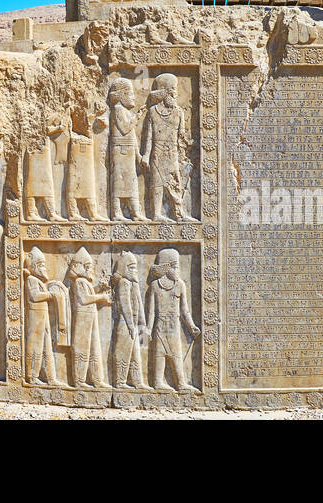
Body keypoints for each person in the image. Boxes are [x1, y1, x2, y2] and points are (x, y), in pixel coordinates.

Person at [142, 73, 195, 222]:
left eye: (176, 90)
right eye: (172, 90)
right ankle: (156, 214)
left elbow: (181, 136)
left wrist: (190, 146)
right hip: (157, 153)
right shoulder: (152, 112)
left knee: (175, 181)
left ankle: (178, 213)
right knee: (156, 183)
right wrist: (146, 155)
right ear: (164, 92)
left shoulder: (179, 112)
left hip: (172, 152)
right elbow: (149, 137)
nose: (175, 94)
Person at [145, 248, 200, 391]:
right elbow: (151, 312)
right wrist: (148, 329)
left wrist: (191, 326)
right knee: (159, 353)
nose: (178, 270)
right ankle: (158, 382)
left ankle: (180, 383)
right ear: (166, 267)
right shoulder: (154, 286)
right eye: (175, 266)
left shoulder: (180, 285)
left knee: (176, 354)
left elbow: (184, 310)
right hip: (160, 326)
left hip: (174, 326)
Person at [66, 247, 112, 388]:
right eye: (87, 267)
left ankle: (97, 379)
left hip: (90, 316)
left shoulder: (84, 282)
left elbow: (89, 293)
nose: (90, 270)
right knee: (82, 348)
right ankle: (80, 381)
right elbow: (84, 299)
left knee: (94, 348)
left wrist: (99, 288)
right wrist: (102, 297)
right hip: (83, 317)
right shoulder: (79, 282)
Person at [107, 78, 148, 221]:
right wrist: (137, 117)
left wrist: (138, 155)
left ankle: (135, 212)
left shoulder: (125, 112)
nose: (133, 97)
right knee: (119, 180)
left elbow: (133, 137)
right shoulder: (118, 110)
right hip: (120, 150)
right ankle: (117, 212)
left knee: (132, 181)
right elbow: (125, 129)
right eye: (130, 94)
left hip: (128, 150)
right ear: (122, 95)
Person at [110, 252, 151, 389]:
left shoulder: (133, 284)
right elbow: (124, 304)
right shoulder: (123, 283)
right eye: (131, 268)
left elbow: (139, 305)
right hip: (124, 323)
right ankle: (120, 382)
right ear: (124, 268)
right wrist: (130, 325)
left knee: (135, 354)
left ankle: (137, 381)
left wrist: (143, 325)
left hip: (133, 325)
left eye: (135, 268)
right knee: (123, 352)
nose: (135, 271)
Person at [24, 247, 63, 385]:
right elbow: (34, 296)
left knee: (47, 347)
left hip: (43, 315)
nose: (43, 267)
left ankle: (50, 378)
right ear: (33, 265)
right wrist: (50, 295)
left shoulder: (38, 280)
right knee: (36, 344)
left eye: (43, 264)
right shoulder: (31, 279)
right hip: (35, 315)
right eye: (40, 264)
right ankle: (32, 376)